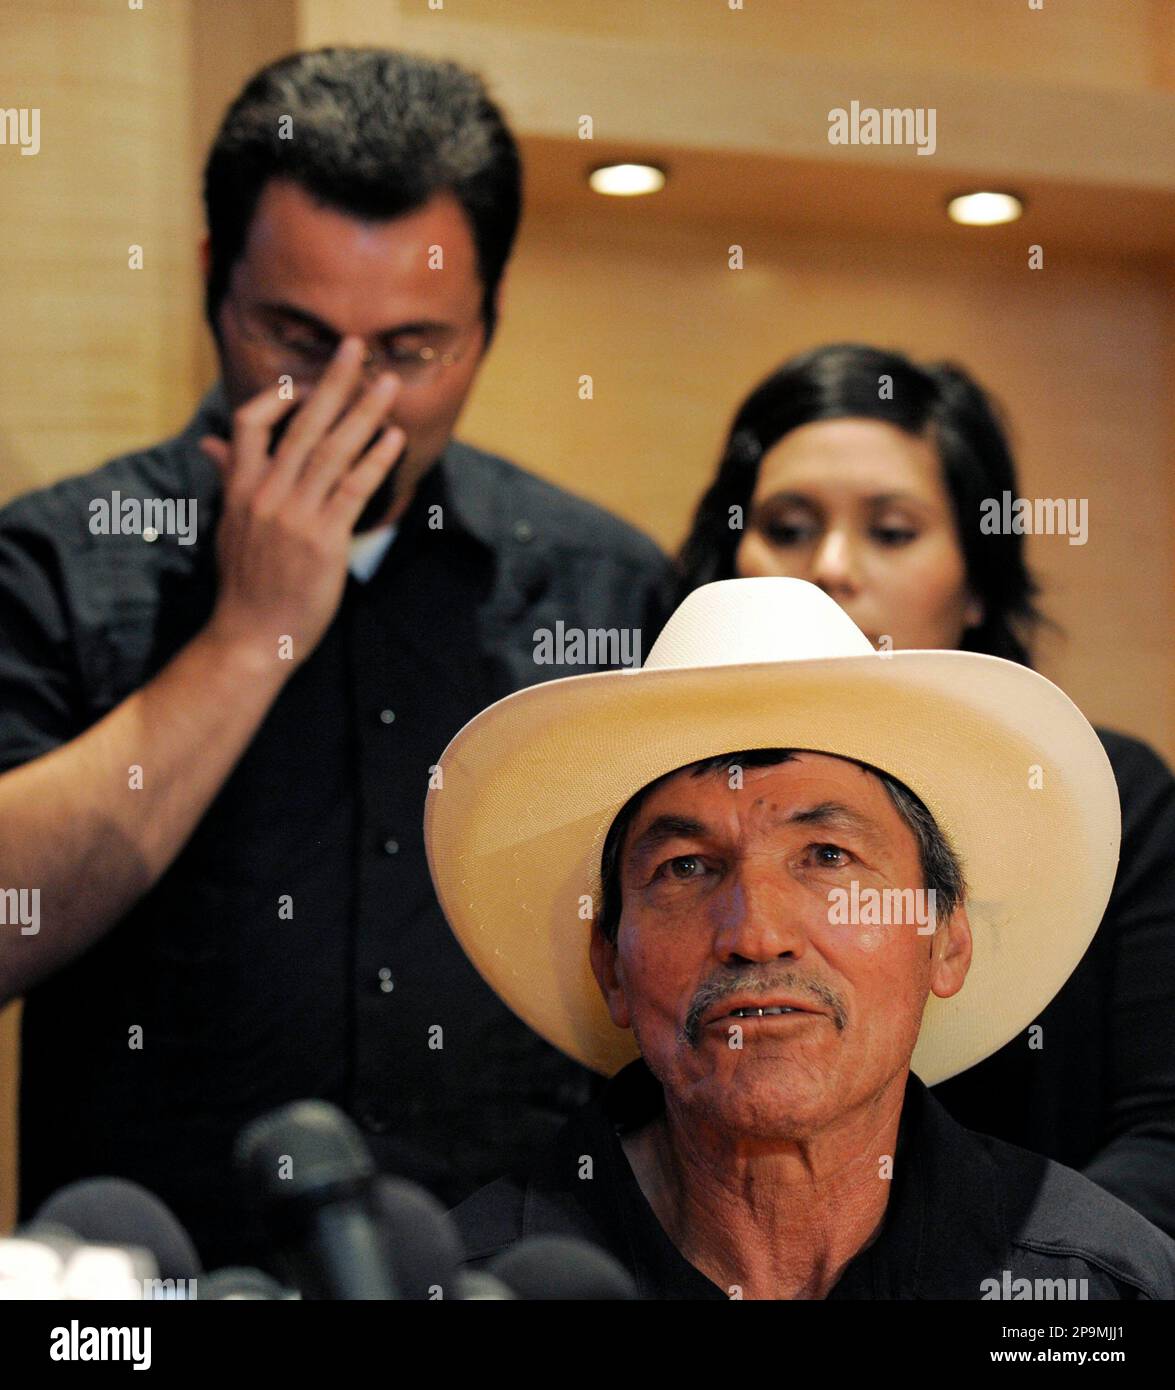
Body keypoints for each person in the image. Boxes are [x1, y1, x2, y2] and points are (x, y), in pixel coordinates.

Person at [0, 47, 673, 1268]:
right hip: (154, 1283)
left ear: (488, 323)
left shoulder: (604, 587)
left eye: (412, 349)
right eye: (295, 337)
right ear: (214, 285)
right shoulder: (57, 560)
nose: (349, 403)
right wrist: (252, 632)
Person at [434, 578, 1175, 1299]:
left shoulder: (1094, 1288)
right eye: (685, 867)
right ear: (611, 967)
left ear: (945, 939)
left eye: (827, 858)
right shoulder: (474, 1284)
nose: (755, 935)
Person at [673, 343, 1175, 1237]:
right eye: (787, 527)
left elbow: (1164, 1131)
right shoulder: (650, 803)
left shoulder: (1109, 798)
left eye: (892, 531)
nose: (830, 566)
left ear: (978, 580)